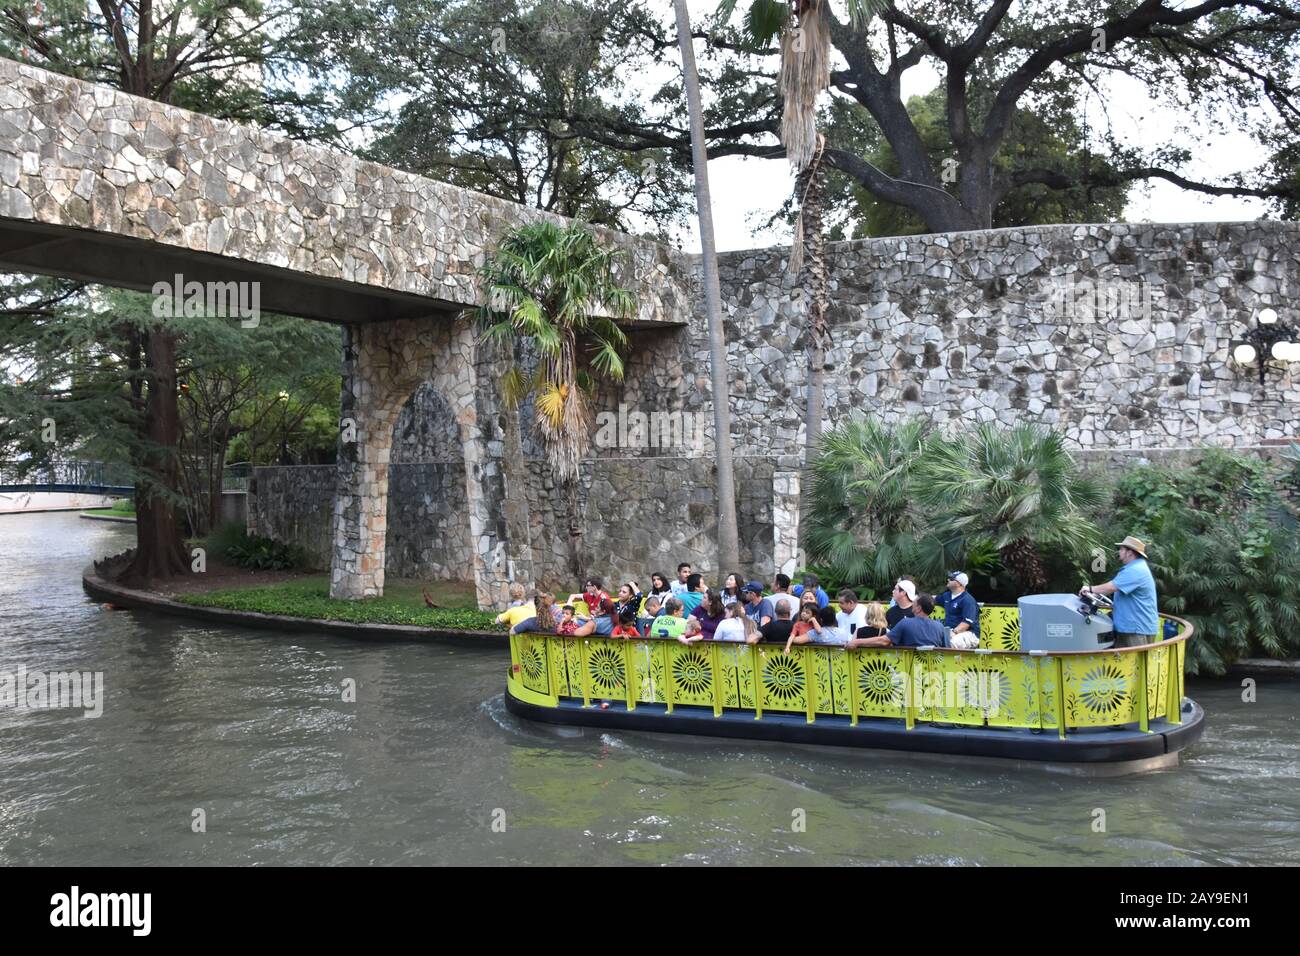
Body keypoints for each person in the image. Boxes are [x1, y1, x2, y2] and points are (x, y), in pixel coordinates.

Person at [1080, 535, 1160, 647]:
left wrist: (1090, 589)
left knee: (1135, 663)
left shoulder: (1135, 570)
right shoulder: (1133, 568)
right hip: (1128, 627)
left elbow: (1111, 587)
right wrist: (1095, 594)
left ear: (1130, 552)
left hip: (1137, 629)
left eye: (1122, 549)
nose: (1119, 552)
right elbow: (1112, 588)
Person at [857, 593, 946, 648]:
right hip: (933, 671)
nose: (912, 604)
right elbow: (946, 649)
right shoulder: (940, 626)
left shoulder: (906, 623)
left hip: (910, 668)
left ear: (918, 608)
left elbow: (884, 641)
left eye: (914, 602)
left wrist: (858, 642)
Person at [936, 571, 981, 649]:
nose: (948, 580)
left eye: (952, 579)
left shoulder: (968, 600)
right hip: (950, 630)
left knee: (951, 642)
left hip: (969, 633)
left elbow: (966, 624)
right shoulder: (947, 596)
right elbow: (930, 600)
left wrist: (952, 633)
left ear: (960, 583)